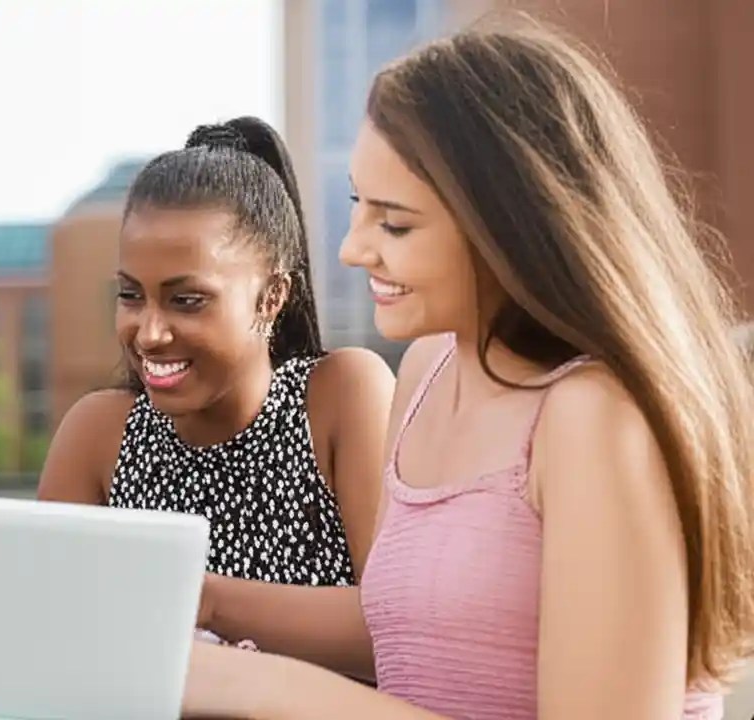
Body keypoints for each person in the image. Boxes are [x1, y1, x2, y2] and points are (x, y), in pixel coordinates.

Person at [179, 17, 754, 720]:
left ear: (511, 224)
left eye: (394, 223)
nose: (352, 250)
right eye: (358, 205)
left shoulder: (596, 417)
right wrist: (202, 600)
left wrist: (264, 688)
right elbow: (422, 626)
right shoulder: (428, 371)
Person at [37, 116, 395, 673]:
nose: (149, 333)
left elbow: (399, 632)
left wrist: (195, 597)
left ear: (271, 297)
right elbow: (45, 640)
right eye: (131, 295)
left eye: (187, 301)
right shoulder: (98, 434)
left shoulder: (341, 397)